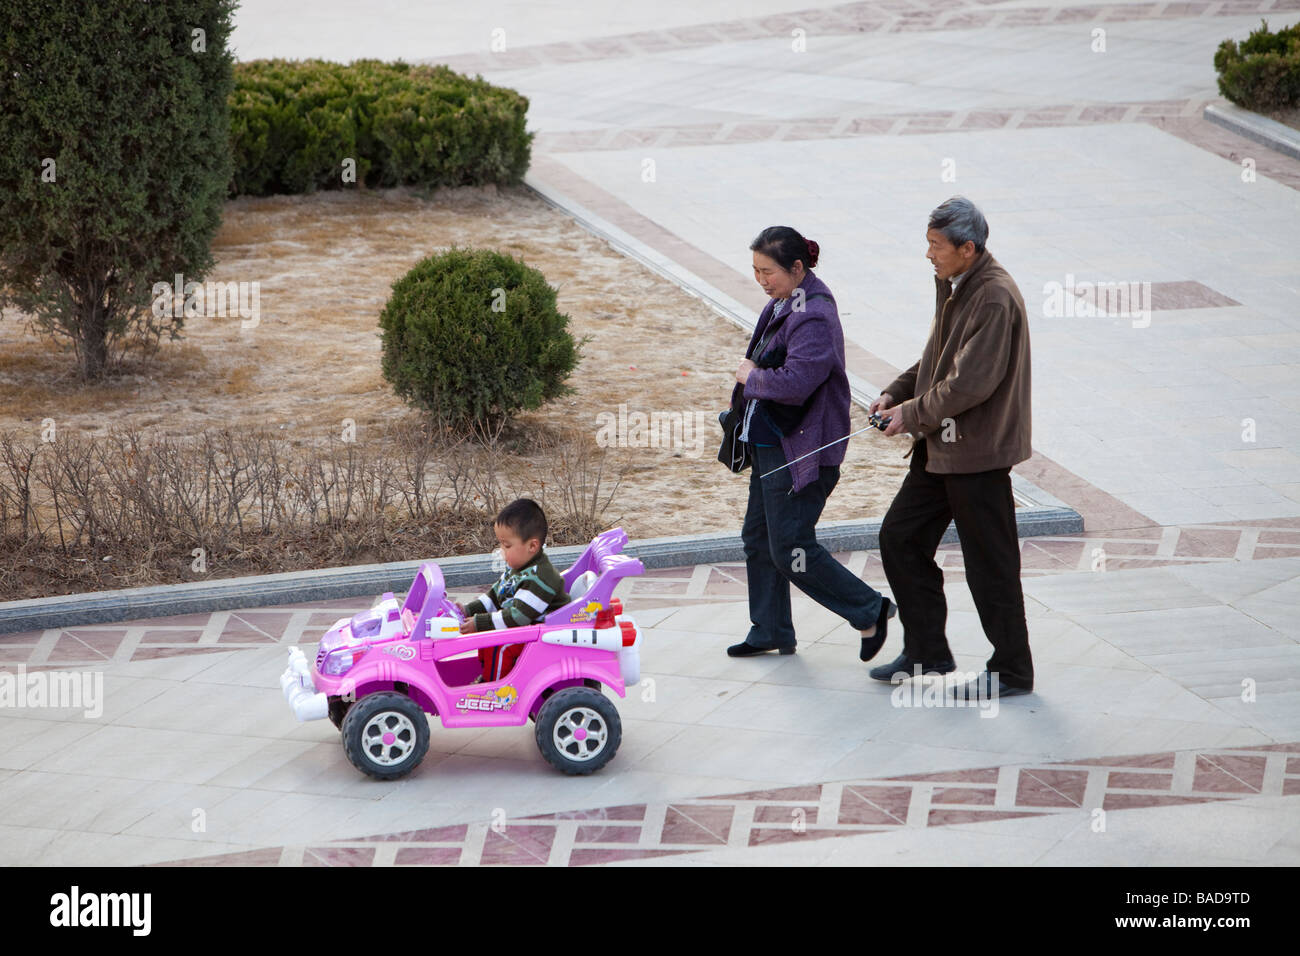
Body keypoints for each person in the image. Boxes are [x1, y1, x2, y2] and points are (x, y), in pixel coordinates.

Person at [868, 197, 1034, 698]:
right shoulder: (955, 283)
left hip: (977, 455)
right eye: (927, 244)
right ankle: (927, 652)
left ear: (968, 248)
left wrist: (911, 415)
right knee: (900, 538)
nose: (929, 255)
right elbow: (937, 358)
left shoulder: (994, 297)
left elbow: (969, 385)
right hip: (941, 448)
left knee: (991, 564)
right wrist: (898, 391)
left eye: (936, 246)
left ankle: (1012, 670)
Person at [727, 225, 893, 659]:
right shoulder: (785, 300)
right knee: (758, 537)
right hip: (771, 444)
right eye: (756, 271)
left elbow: (797, 382)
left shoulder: (814, 314)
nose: (762, 281)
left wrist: (752, 377)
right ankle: (770, 629)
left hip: (801, 450)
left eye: (769, 272)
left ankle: (869, 609)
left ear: (797, 267)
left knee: (791, 547)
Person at [457, 498, 570, 682]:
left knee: (500, 646)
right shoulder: (517, 569)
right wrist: (469, 610)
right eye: (501, 544)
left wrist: (479, 623)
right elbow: (495, 596)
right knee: (487, 636)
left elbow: (519, 617)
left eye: (507, 545)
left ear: (532, 546)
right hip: (528, 630)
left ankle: (495, 690)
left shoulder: (540, 578)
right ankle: (488, 676)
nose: (502, 550)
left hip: (541, 636)